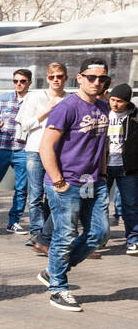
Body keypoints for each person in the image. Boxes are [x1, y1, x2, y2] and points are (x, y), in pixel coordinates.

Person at [36, 59, 112, 311]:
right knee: (65, 235)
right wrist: (58, 181)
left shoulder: (103, 106)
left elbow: (100, 144)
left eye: (102, 79)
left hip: (93, 181)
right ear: (79, 78)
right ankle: (58, 288)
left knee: (98, 234)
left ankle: (53, 271)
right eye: (91, 77)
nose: (97, 83)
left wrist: (101, 173)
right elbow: (45, 146)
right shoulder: (66, 107)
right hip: (66, 182)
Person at [17, 61, 70, 256]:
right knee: (36, 194)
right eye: (52, 77)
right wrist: (46, 111)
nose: (56, 80)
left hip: (58, 153)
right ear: (47, 78)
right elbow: (24, 125)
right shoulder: (35, 97)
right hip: (35, 150)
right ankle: (37, 233)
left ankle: (48, 235)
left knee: (55, 194)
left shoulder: (70, 99)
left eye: (60, 76)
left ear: (66, 78)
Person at [0, 69, 31, 231]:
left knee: (21, 188)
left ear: (29, 82)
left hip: (22, 149)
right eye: (16, 81)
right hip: (2, 147)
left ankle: (14, 221)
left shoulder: (34, 101)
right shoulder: (3, 99)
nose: (18, 84)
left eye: (22, 81)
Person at [103, 83, 138, 256]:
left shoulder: (135, 117)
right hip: (104, 166)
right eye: (113, 100)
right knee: (99, 203)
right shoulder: (102, 112)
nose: (115, 104)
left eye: (119, 101)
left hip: (127, 167)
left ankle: (133, 240)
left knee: (130, 205)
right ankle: (99, 238)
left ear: (127, 102)